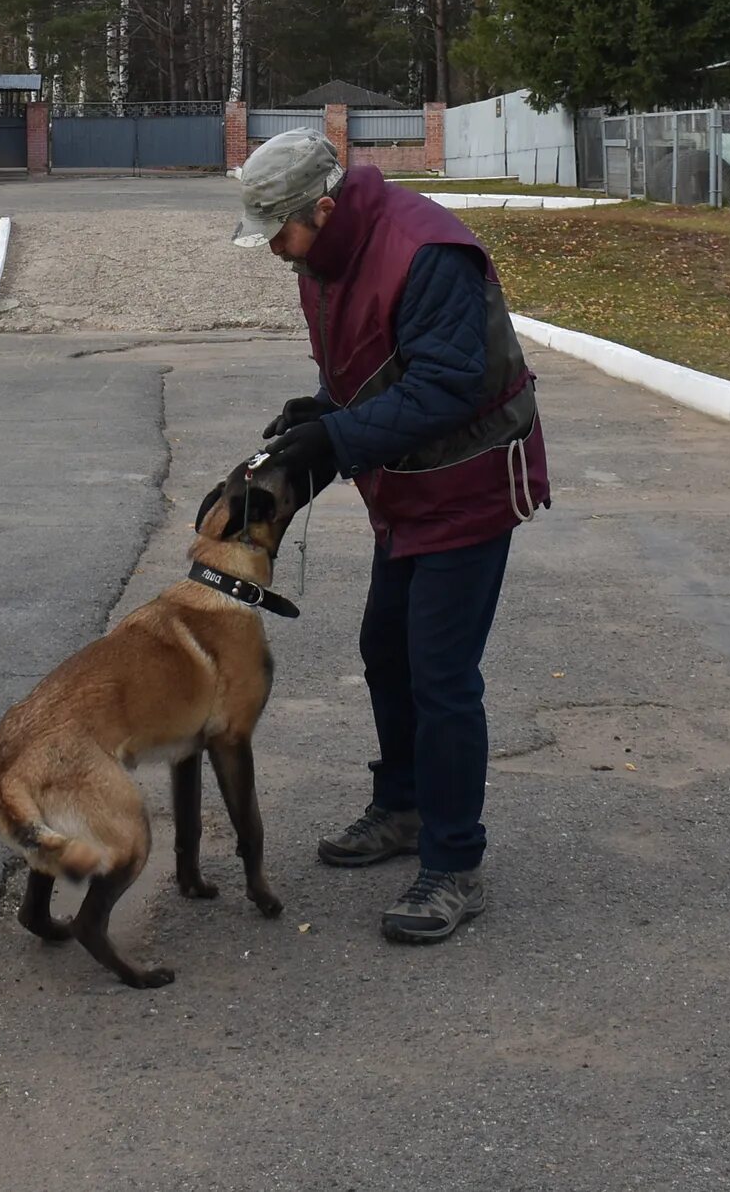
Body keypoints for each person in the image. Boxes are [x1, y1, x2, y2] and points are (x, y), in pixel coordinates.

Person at [234, 128, 549, 946]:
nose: (275, 251)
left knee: (441, 675)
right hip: (408, 486)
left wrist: (336, 441)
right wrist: (325, 412)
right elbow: (372, 361)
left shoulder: (427, 250)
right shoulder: (326, 257)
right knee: (386, 650)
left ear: (325, 209)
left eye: (280, 232)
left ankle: (453, 863)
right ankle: (405, 808)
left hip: (470, 480)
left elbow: (444, 387)